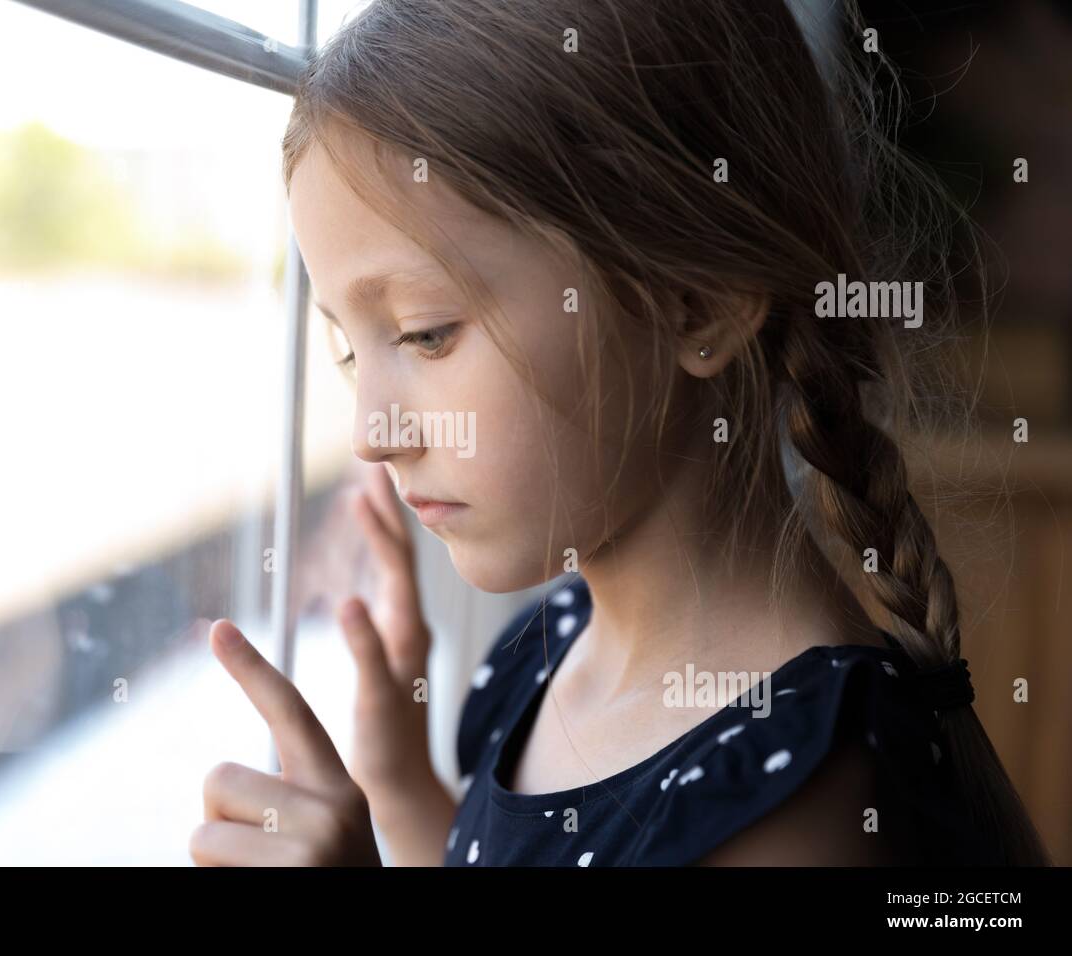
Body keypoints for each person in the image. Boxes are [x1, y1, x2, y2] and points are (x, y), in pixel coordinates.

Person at [188, 0, 1052, 867]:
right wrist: (405, 788)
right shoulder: (548, 651)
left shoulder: (798, 798)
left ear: (698, 305)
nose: (371, 433)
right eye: (346, 343)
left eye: (424, 331)